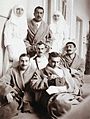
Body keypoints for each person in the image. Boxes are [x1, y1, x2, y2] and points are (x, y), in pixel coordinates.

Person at [30, 52, 81, 119]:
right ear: (48, 60)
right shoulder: (40, 72)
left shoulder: (64, 70)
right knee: (60, 103)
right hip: (50, 95)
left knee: (78, 103)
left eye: (58, 62)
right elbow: (33, 84)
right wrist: (47, 80)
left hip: (66, 92)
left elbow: (71, 83)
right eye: (53, 62)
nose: (55, 65)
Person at [3, 4, 28, 74]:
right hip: (12, 45)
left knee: (22, 63)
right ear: (14, 10)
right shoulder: (10, 22)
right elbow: (7, 36)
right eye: (18, 9)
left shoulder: (24, 22)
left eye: (22, 10)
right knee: (12, 63)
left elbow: (24, 36)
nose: (20, 11)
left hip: (21, 45)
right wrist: (9, 48)